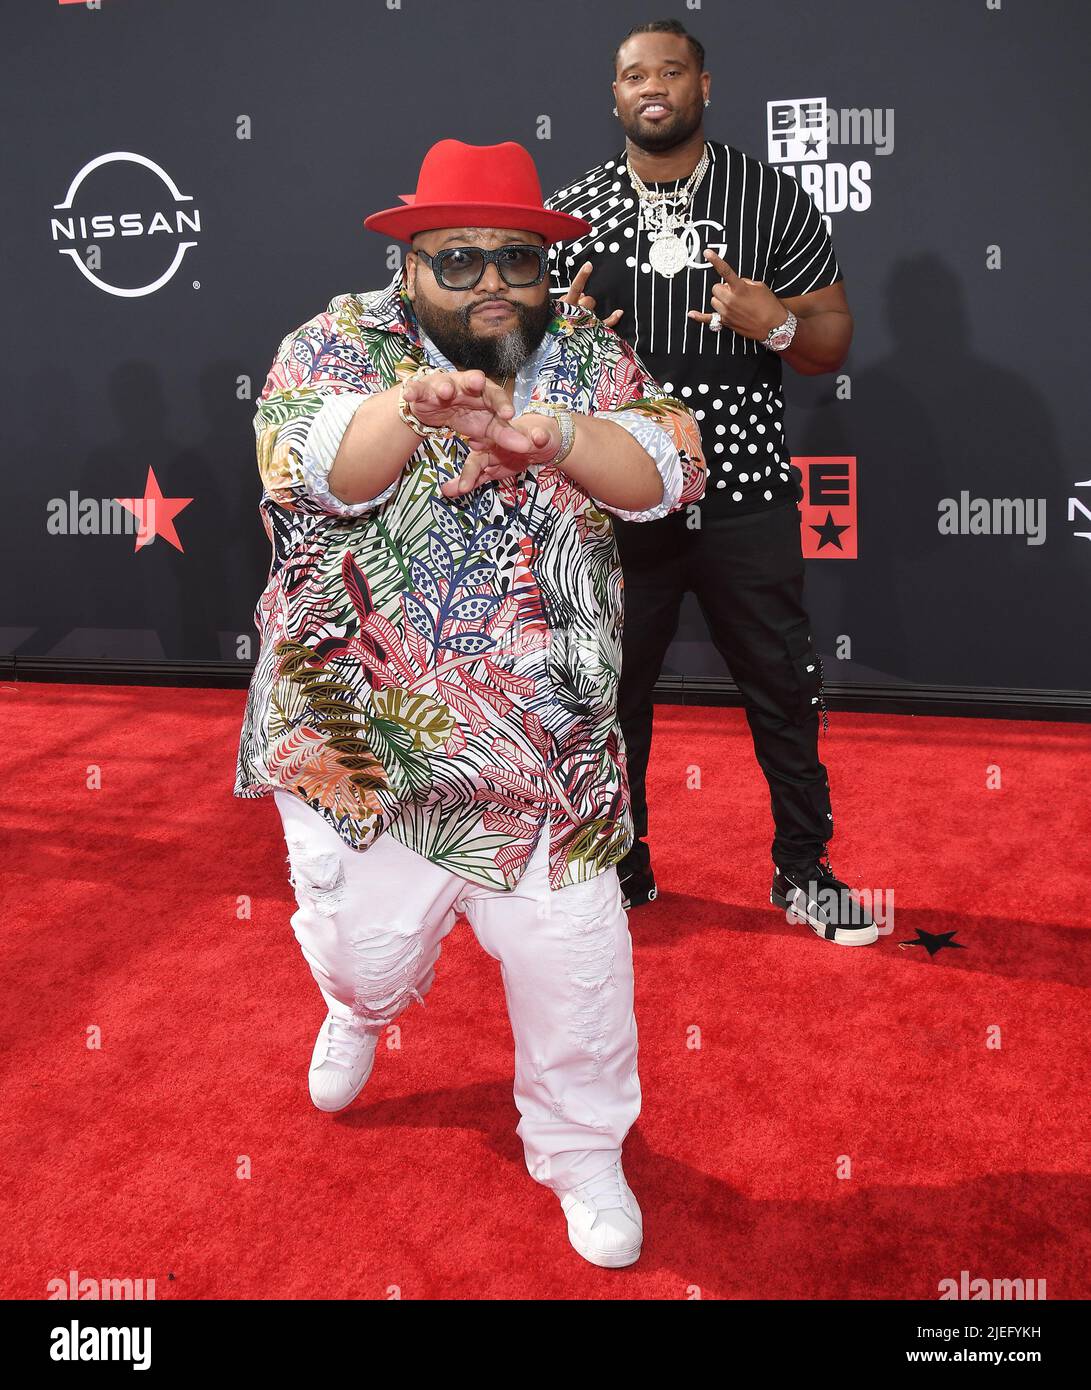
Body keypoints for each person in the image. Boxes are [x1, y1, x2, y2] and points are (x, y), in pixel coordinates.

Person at [233, 137, 707, 1267]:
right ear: (407, 263)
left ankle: (581, 1151)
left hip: (550, 749)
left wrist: (555, 437)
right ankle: (357, 1007)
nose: (492, 281)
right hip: (361, 745)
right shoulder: (332, 342)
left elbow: (670, 467)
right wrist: (413, 406)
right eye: (458, 259)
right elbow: (311, 466)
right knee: (363, 960)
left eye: (516, 258)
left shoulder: (586, 353)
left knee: (578, 973)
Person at [544, 18, 878, 945]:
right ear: (614, 95)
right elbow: (518, 363)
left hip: (743, 493)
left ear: (703, 85)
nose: (651, 87)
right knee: (611, 694)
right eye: (632, 75)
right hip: (615, 498)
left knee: (782, 688)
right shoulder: (569, 213)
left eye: (670, 71)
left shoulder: (770, 197)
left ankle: (803, 869)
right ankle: (622, 865)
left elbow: (830, 339)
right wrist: (560, 339)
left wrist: (776, 325)